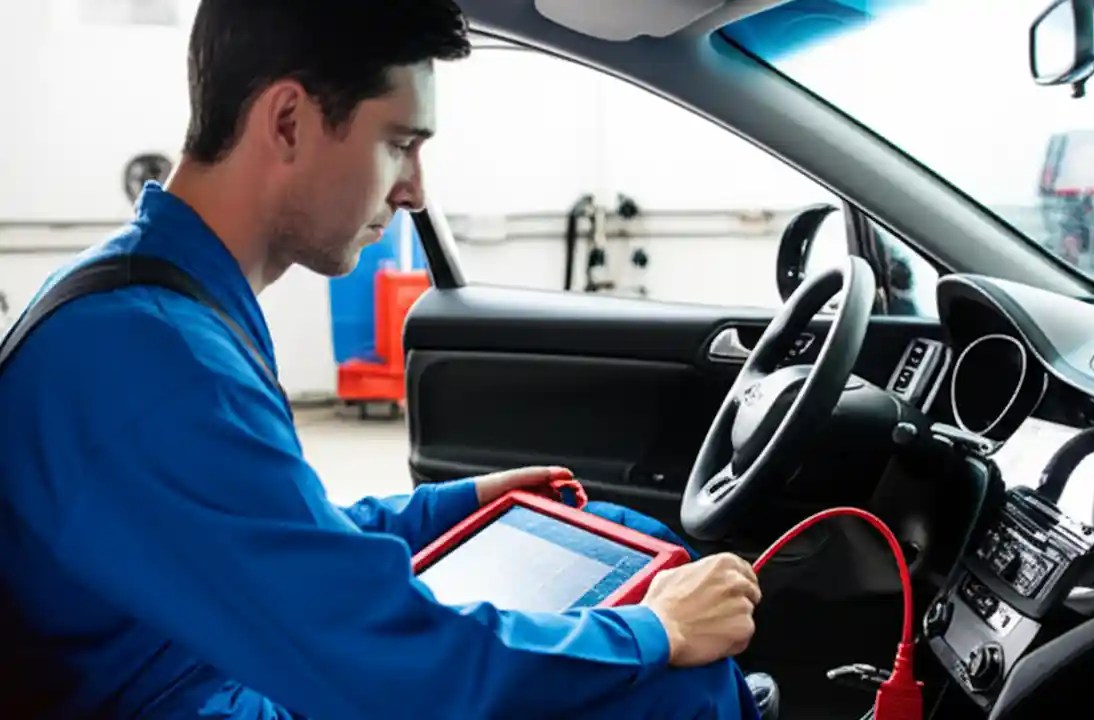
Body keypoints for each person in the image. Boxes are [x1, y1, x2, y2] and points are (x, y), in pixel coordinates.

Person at [0, 0, 766, 717]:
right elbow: (377, 666)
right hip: (203, 693)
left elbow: (265, 533)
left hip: (212, 664)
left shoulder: (153, 299)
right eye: (399, 144)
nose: (414, 190)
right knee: (676, 683)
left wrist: (453, 506)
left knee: (612, 532)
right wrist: (654, 633)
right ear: (291, 121)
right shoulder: (157, 358)